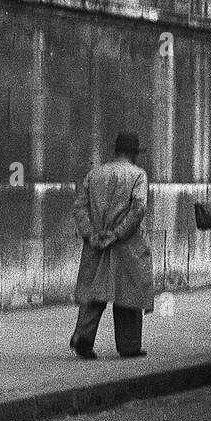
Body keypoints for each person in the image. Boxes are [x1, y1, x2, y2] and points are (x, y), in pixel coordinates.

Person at [70, 131, 154, 359]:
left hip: (96, 243)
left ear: (116, 151)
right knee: (130, 291)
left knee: (94, 291)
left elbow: (80, 208)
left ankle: (83, 337)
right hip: (126, 243)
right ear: (134, 154)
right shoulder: (138, 175)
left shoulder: (94, 174)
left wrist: (91, 234)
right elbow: (138, 209)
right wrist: (116, 234)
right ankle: (129, 346)